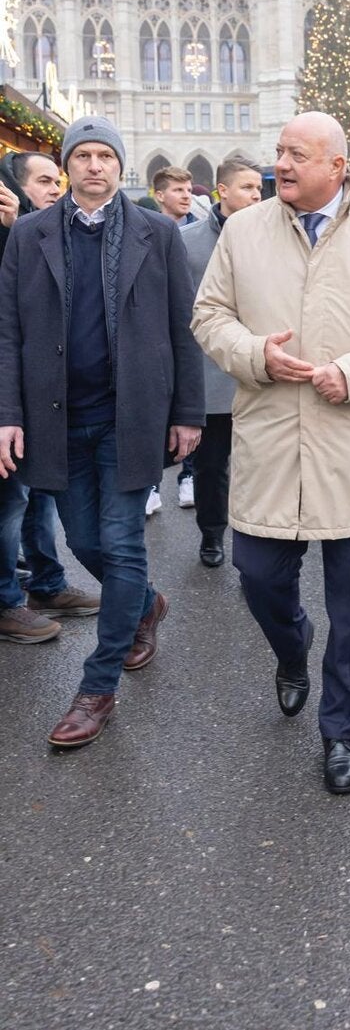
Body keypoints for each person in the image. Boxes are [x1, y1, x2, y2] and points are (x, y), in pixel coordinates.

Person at [192, 113, 350, 794]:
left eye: (297, 153)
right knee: (258, 575)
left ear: (337, 166)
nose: (282, 163)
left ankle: (342, 729)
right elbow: (209, 316)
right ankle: (292, 645)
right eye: (279, 151)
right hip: (269, 437)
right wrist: (256, 355)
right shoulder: (244, 230)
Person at [0, 117, 204, 748]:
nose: (94, 165)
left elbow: (183, 327)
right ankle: (144, 603)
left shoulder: (156, 232)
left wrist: (188, 412)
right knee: (85, 542)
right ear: (67, 166)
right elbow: (8, 331)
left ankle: (97, 687)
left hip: (131, 416)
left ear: (120, 164)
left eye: (105, 156)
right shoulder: (30, 233)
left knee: (120, 543)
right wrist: (7, 414)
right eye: (83, 155)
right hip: (57, 418)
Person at [0, 152, 100, 641]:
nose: (56, 189)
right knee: (10, 502)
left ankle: (47, 583)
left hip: (40, 396)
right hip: (9, 395)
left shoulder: (50, 232)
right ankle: (5, 601)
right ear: (15, 189)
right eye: (43, 181)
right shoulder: (17, 233)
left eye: (56, 180)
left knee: (38, 495)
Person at [180, 155, 263, 568]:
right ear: (222, 190)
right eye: (247, 187)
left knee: (260, 468)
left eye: (259, 188)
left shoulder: (274, 238)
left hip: (261, 374)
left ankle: (259, 545)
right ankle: (212, 533)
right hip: (209, 377)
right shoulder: (187, 241)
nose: (256, 195)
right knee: (211, 467)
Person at [152, 165, 199, 510]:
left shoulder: (200, 231)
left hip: (190, 328)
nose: (186, 196)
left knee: (191, 409)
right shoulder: (145, 230)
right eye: (178, 190)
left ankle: (189, 477)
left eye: (189, 190)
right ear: (160, 195)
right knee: (154, 413)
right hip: (154, 332)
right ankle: (150, 484)